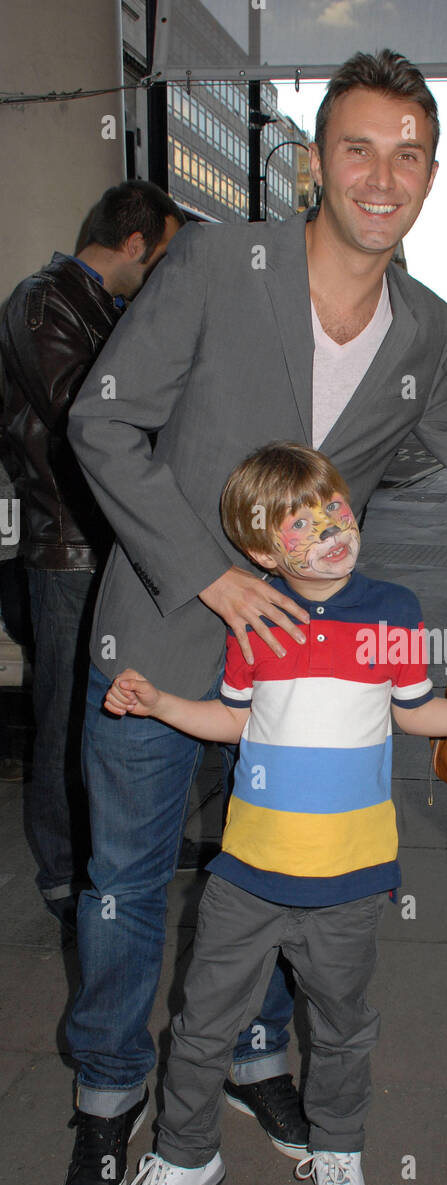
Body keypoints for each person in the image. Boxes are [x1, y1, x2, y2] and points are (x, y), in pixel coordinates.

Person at [63, 49, 447, 1185]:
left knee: (286, 866)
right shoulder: (221, 264)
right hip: (166, 633)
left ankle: (250, 1060)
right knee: (128, 880)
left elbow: (434, 465)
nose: (382, 175)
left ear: (429, 172)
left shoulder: (426, 328)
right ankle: (107, 1090)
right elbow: (101, 422)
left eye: (408, 152)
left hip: (311, 673)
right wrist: (209, 575)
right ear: (314, 164)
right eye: (358, 147)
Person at [100, 444, 447, 1185]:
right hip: (245, 879)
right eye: (302, 524)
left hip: (350, 878)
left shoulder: (392, 610)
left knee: (340, 1027)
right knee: (199, 1028)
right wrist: (159, 703)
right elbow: (235, 720)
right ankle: (185, 1155)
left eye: (333, 508)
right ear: (263, 552)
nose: (330, 530)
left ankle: (337, 1149)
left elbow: (413, 713)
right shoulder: (254, 615)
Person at [0, 182, 183, 939]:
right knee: (67, 716)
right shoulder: (45, 305)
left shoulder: (93, 309)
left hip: (100, 543)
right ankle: (63, 875)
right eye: (162, 256)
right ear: (136, 243)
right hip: (67, 548)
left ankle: (97, 861)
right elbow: (93, 417)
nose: (163, 272)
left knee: (99, 711)